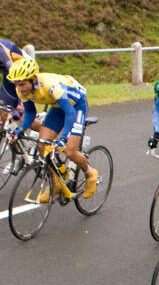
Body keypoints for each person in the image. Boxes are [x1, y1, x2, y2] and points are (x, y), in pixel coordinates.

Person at [7, 57, 98, 202]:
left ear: (33, 80)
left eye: (22, 84)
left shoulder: (51, 86)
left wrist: (63, 139)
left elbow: (70, 113)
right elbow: (30, 113)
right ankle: (55, 183)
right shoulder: (22, 90)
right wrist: (19, 130)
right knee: (42, 144)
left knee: (70, 150)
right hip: (57, 107)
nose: (20, 88)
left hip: (76, 107)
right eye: (16, 85)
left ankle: (90, 173)